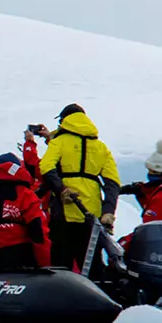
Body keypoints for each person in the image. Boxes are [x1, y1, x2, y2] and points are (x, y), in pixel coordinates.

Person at [30, 104, 122, 273]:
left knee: (60, 265)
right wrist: (108, 210)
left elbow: (46, 167)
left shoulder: (59, 142)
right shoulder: (101, 147)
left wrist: (62, 189)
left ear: (64, 120)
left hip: (64, 210)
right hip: (91, 213)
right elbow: (113, 182)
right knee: (91, 264)